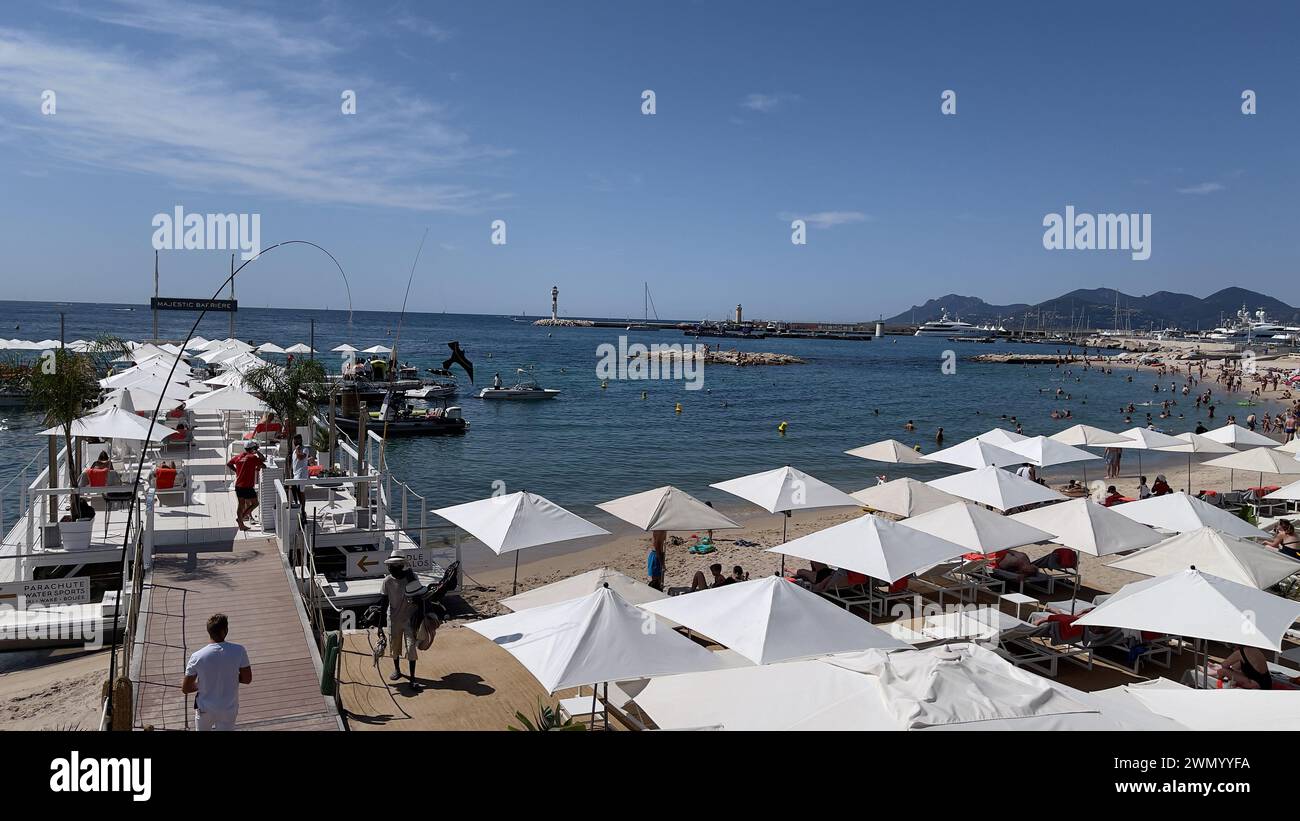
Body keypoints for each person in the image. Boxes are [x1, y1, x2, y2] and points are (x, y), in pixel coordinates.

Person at [181, 613, 252, 731]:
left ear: (209, 631)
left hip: (204, 709)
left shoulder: (197, 656)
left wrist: (202, 684)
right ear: (225, 630)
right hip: (228, 708)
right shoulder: (239, 651)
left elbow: (186, 688)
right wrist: (231, 677)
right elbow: (247, 679)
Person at [377, 554, 422, 688]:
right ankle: (397, 670)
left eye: (393, 566)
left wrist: (412, 580)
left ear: (401, 566)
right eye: (389, 566)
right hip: (393, 619)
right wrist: (380, 626)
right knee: (394, 647)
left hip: (409, 619)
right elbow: (383, 603)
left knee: (411, 648)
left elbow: (420, 598)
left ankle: (412, 677)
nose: (390, 569)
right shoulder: (387, 581)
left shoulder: (412, 579)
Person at [227, 440, 267, 530]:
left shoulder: (239, 456)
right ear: (253, 448)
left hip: (238, 485)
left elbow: (229, 463)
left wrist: (237, 471)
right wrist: (257, 452)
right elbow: (264, 463)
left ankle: (241, 523)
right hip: (247, 486)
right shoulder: (252, 457)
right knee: (255, 503)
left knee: (241, 504)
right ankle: (241, 518)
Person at [290, 434, 310, 522]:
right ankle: (299, 508)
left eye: (296, 441)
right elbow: (294, 463)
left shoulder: (304, 449)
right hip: (296, 474)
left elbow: (300, 458)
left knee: (301, 492)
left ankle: (303, 510)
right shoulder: (295, 451)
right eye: (294, 441)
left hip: (302, 474)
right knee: (295, 490)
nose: (294, 443)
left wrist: (297, 449)